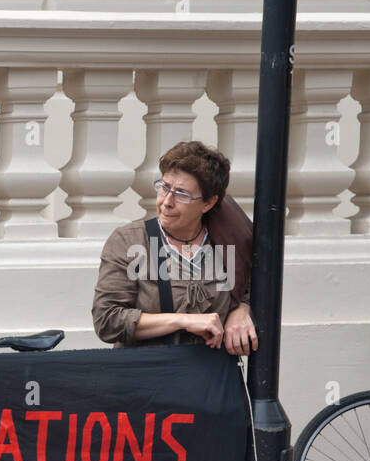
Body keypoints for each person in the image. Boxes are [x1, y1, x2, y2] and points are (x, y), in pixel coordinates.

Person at [92, 141, 257, 355]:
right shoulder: (129, 241)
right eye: (164, 187)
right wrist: (183, 321)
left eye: (182, 194)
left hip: (211, 381)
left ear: (208, 203)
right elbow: (107, 320)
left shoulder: (228, 241)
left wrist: (242, 309)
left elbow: (256, 286)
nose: (167, 201)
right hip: (148, 378)